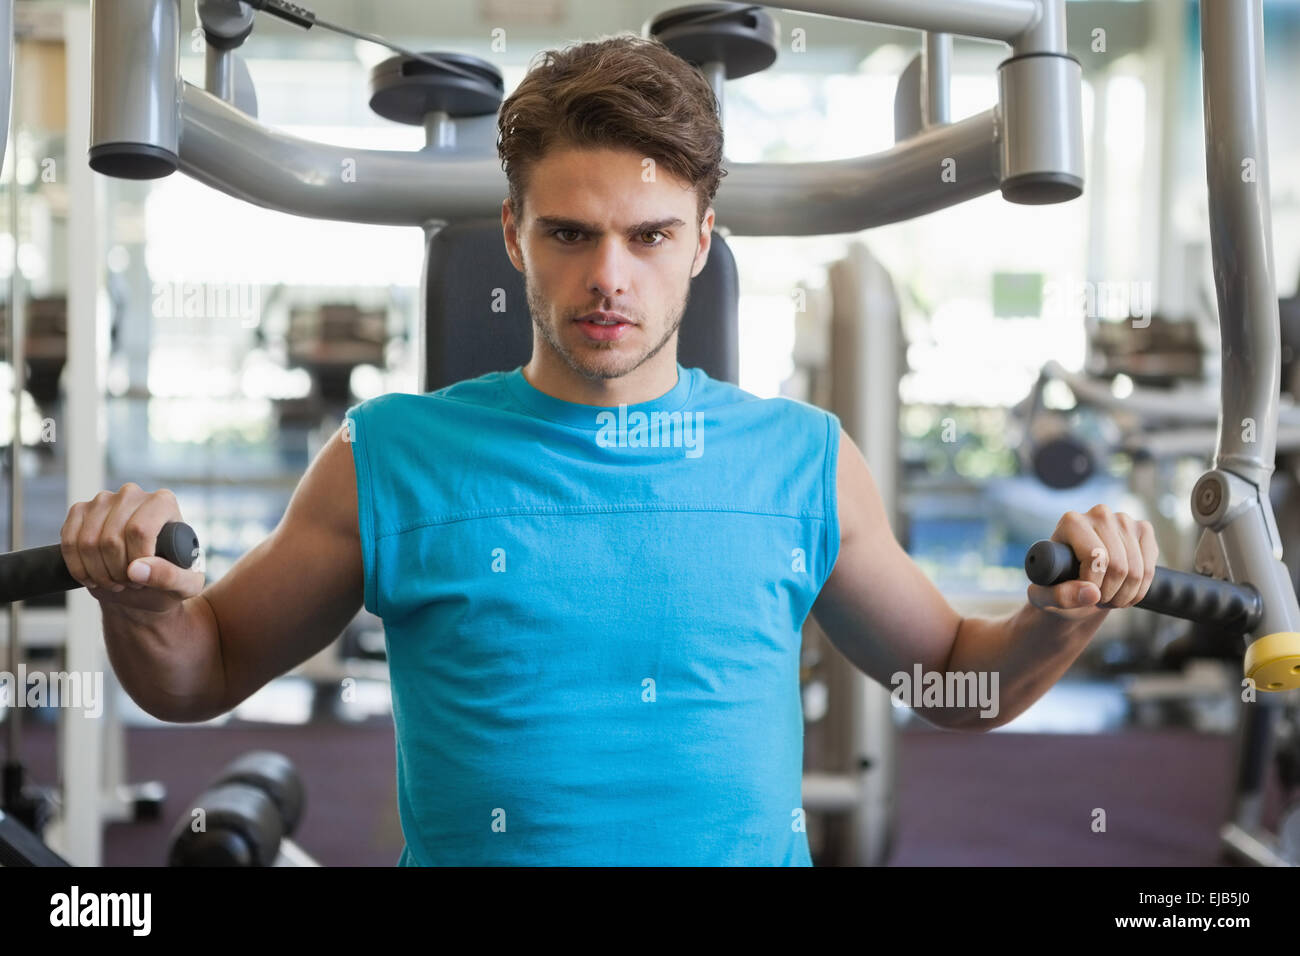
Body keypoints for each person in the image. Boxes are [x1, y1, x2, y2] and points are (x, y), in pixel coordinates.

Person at [61, 32, 1155, 866]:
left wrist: (1058, 621)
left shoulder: (803, 458)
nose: (609, 278)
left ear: (701, 241)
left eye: (649, 235)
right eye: (570, 233)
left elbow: (957, 681)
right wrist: (145, 606)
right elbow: (198, 673)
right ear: (513, 234)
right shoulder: (389, 454)